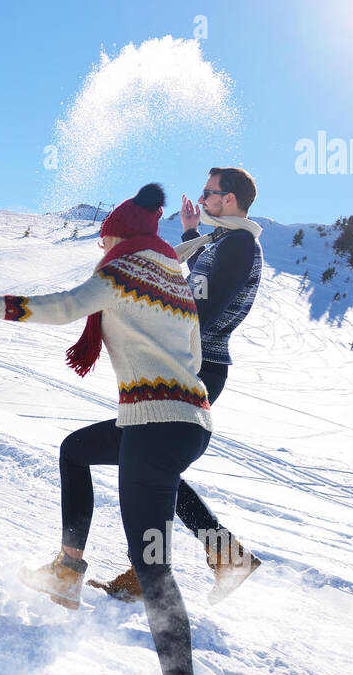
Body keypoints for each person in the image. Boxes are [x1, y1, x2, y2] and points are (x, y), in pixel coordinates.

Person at [0, 183, 213, 675]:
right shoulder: (173, 279)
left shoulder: (119, 275)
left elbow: (67, 306)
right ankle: (68, 567)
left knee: (153, 565)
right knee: (78, 450)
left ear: (119, 236)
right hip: (189, 423)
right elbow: (194, 352)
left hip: (153, 425)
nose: (100, 247)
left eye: (104, 238)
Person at [88, 167, 264, 604]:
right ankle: (214, 556)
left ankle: (155, 571)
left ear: (232, 199)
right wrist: (191, 232)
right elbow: (190, 286)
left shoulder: (239, 244)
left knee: (147, 466)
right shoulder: (219, 241)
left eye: (210, 193)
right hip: (185, 364)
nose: (202, 197)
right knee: (152, 468)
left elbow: (203, 307)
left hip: (196, 367)